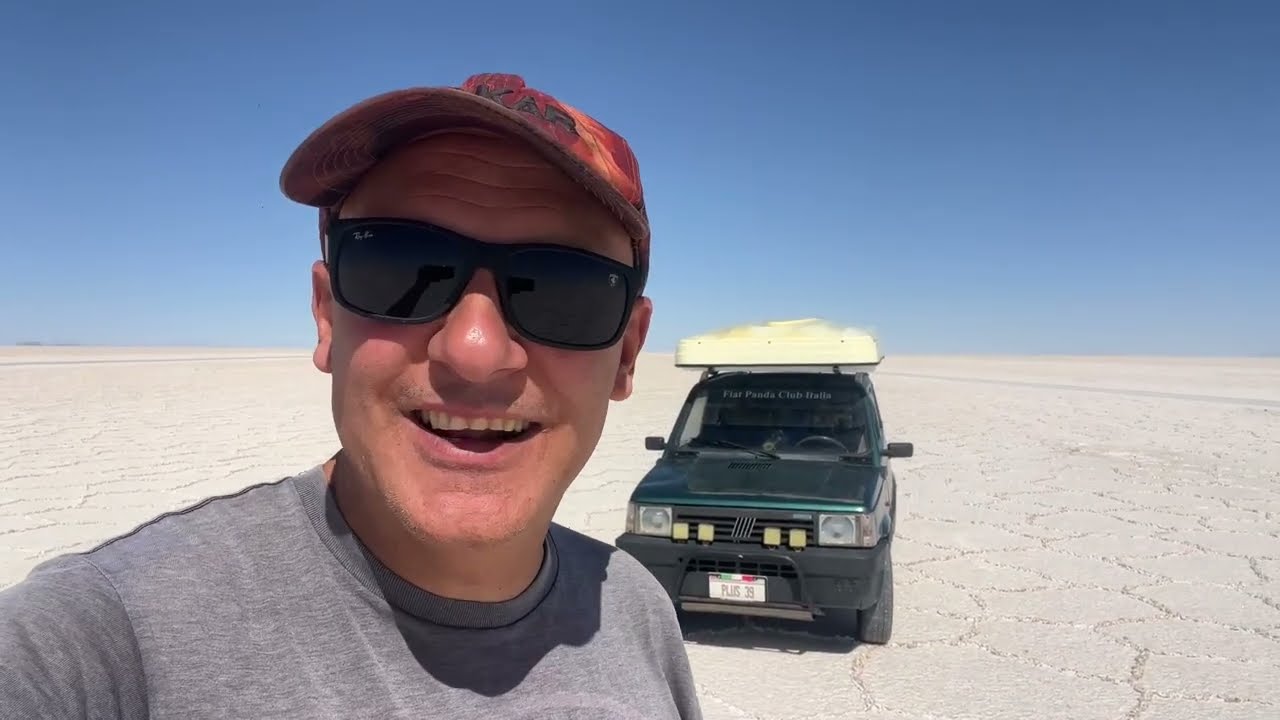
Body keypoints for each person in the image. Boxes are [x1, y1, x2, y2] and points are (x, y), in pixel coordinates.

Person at [0, 72, 703, 719]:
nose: (475, 350)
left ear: (627, 354)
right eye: (401, 267)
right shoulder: (101, 646)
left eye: (564, 289)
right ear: (327, 318)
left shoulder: (634, 610)